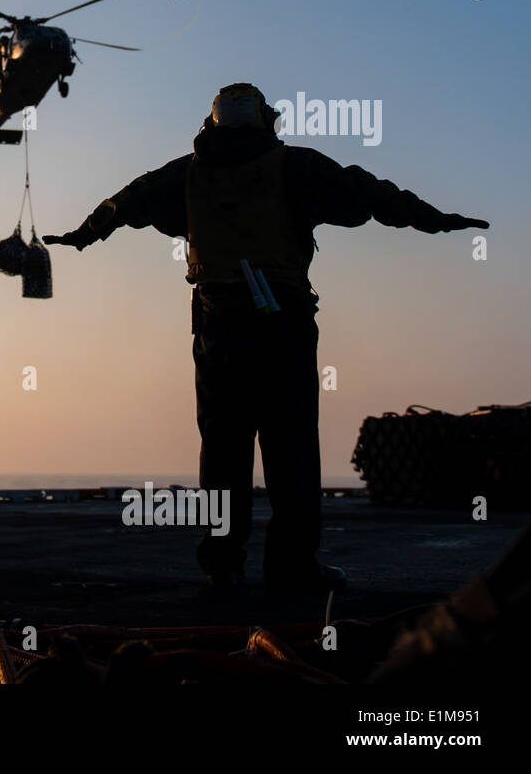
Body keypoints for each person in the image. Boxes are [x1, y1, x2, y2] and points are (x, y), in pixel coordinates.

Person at [45, 83, 488, 593]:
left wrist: (83, 235)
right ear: (266, 122)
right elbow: (370, 194)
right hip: (282, 325)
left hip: (217, 329)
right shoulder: (294, 166)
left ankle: (222, 563)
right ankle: (293, 566)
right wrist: (440, 221)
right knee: (291, 447)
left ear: (210, 127)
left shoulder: (186, 175)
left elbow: (124, 203)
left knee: (222, 449)